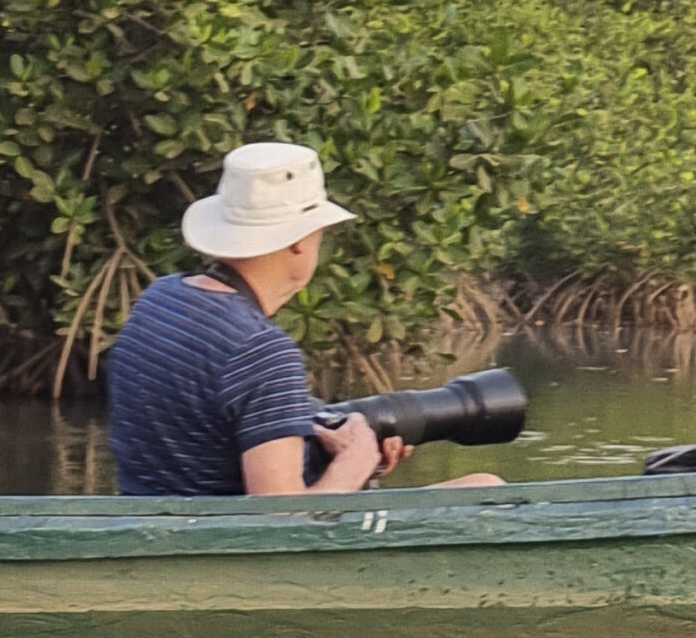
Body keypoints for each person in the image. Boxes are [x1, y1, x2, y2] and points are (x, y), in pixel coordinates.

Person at [103, 141, 500, 499]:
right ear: (299, 240)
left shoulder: (160, 298)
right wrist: (356, 460)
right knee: (488, 493)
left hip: (155, 528)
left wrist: (323, 441)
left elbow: (205, 431)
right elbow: (282, 519)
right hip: (224, 556)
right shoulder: (260, 349)